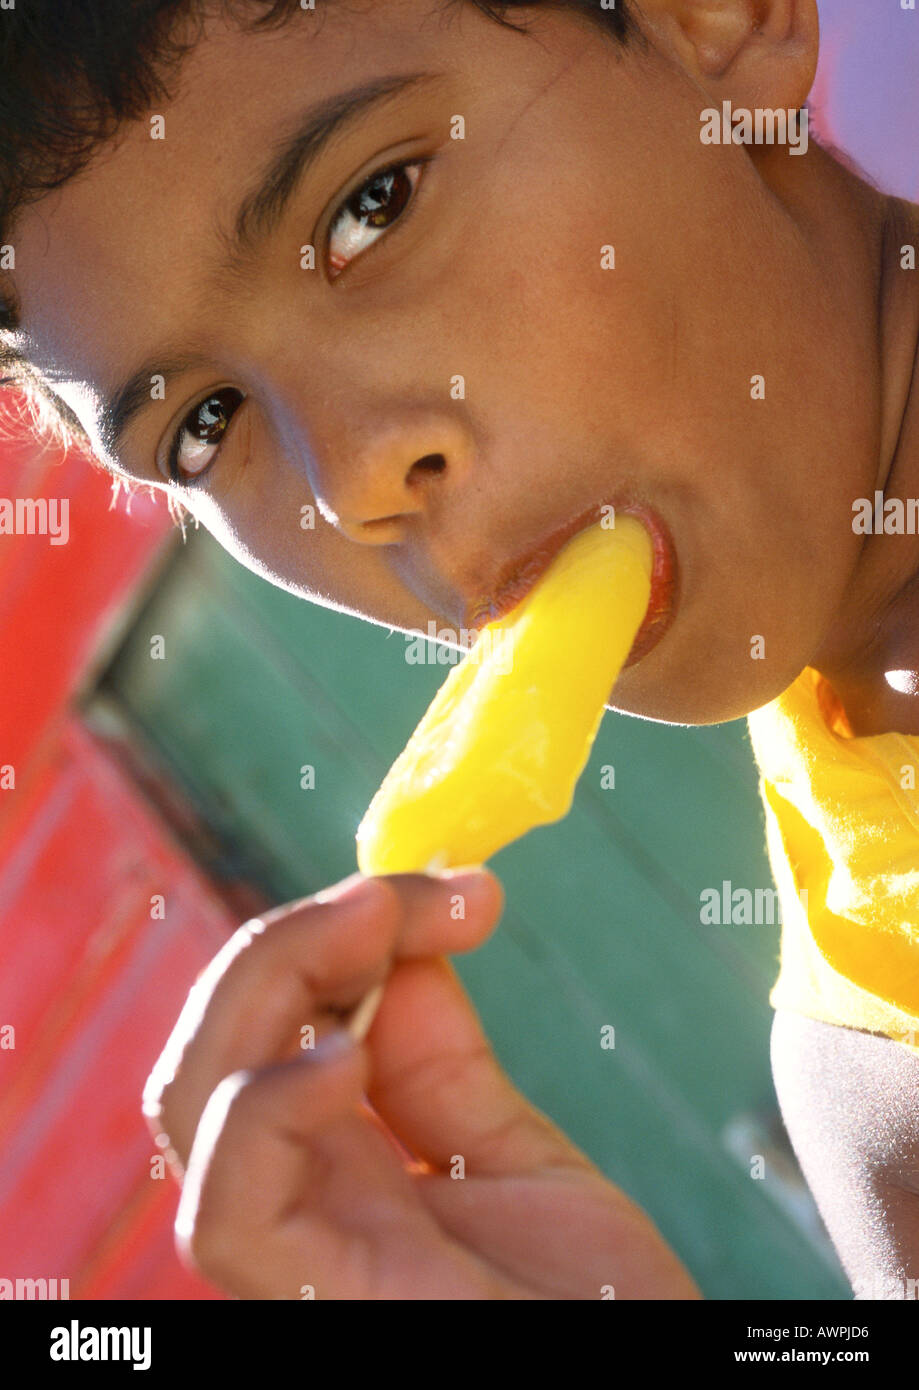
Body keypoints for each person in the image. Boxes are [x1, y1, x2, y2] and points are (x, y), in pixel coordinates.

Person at [2, 0, 918, 1299]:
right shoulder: (870, 1066)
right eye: (206, 425)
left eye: (372, 207)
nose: (354, 482)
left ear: (713, 21)